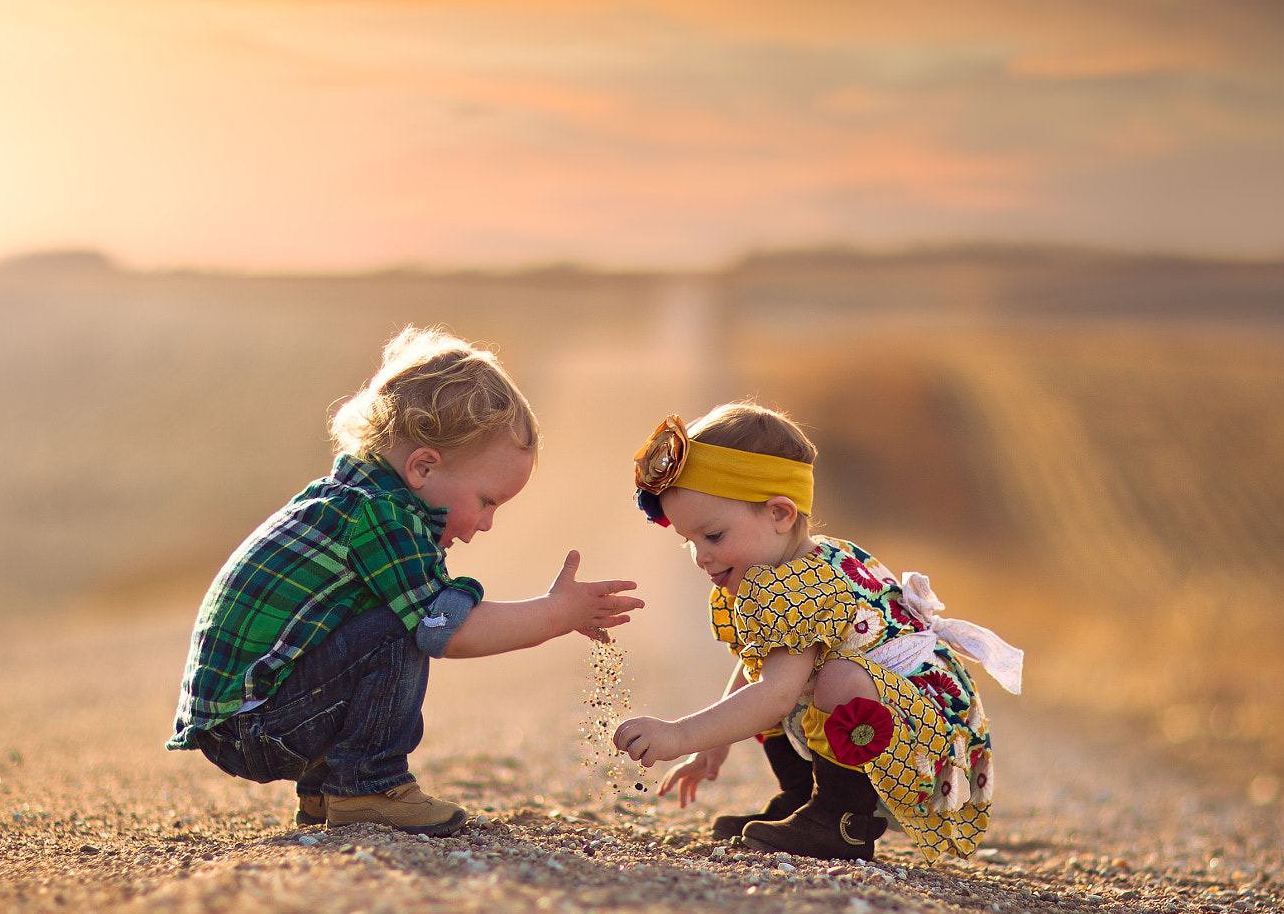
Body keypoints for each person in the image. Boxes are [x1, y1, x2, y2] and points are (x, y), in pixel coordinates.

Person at [168, 326, 641, 836]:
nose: (487, 524)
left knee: (377, 618)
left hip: (243, 720)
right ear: (422, 467)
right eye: (488, 501)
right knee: (408, 623)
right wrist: (555, 614)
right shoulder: (381, 518)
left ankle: (328, 792)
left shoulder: (346, 499)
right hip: (257, 728)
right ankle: (367, 786)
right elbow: (448, 630)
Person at [611, 403, 1021, 864]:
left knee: (835, 678)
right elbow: (758, 671)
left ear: (780, 514)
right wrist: (713, 746)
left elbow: (775, 695)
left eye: (714, 535)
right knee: (792, 677)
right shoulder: (789, 569)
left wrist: (680, 735)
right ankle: (804, 799)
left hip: (922, 736)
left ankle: (841, 820)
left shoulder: (805, 585)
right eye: (689, 541)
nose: (701, 556)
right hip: (891, 718)